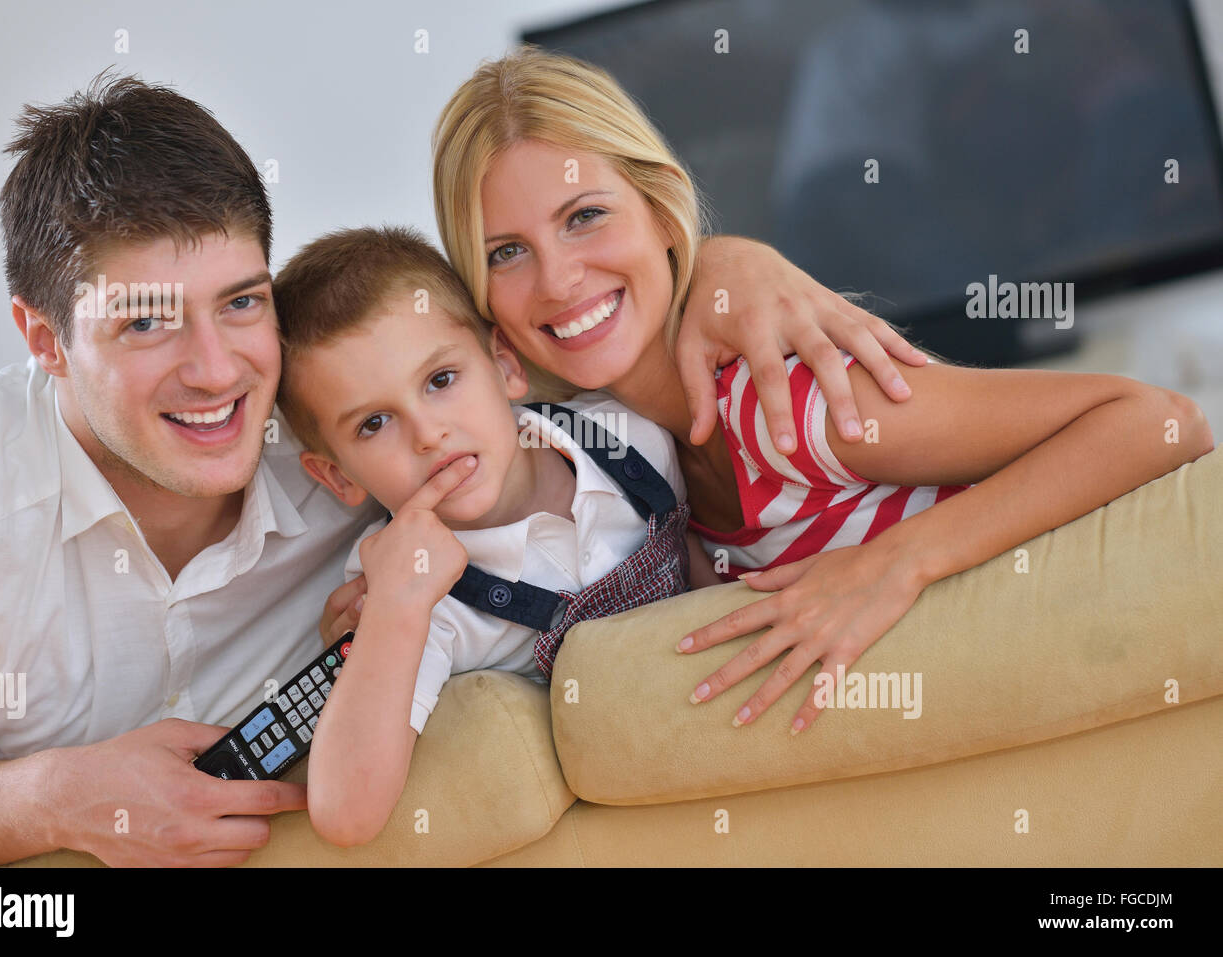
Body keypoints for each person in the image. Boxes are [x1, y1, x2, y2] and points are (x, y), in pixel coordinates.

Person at [0, 73, 923, 867]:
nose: (216, 372)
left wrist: (724, 267)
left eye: (237, 302)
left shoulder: (347, 431)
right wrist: (48, 797)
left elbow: (517, 313)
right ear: (44, 338)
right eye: (145, 323)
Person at [426, 46, 1215, 735]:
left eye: (586, 216)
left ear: (662, 209)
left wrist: (898, 562)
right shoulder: (633, 470)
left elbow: (1163, 422)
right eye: (505, 253)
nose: (559, 279)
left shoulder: (787, 405)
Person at [273, 226, 702, 845]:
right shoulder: (416, 600)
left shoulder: (630, 437)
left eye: (441, 380)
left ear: (503, 365)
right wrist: (395, 609)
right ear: (338, 476)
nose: (427, 433)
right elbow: (345, 813)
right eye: (374, 423)